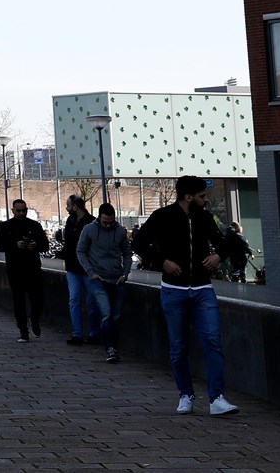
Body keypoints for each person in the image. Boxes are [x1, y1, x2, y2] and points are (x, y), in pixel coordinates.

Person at [132, 176, 239, 417]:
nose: (205, 199)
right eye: (202, 196)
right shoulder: (162, 216)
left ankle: (217, 398)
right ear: (188, 196)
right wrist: (163, 262)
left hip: (202, 289)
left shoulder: (205, 217)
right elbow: (138, 243)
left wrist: (218, 257)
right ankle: (186, 395)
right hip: (174, 290)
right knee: (178, 347)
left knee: (212, 341)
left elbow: (224, 244)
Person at [77, 201, 133, 364]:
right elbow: (80, 251)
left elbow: (127, 253)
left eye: (111, 222)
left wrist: (125, 273)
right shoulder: (89, 230)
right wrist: (91, 272)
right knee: (107, 313)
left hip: (117, 278)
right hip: (98, 278)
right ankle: (110, 348)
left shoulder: (121, 231)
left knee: (115, 315)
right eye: (105, 222)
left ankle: (112, 346)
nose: (108, 226)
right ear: (99, 218)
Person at [0, 198, 49, 341]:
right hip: (15, 268)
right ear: (13, 211)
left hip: (33, 267)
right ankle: (23, 330)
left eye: (24, 210)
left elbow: (45, 245)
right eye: (18, 211)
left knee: (37, 299)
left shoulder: (34, 225)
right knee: (19, 301)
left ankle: (35, 320)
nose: (22, 213)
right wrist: (14, 245)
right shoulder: (6, 226)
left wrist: (35, 245)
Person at [62, 194, 95, 345]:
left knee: (91, 301)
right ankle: (77, 334)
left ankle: (94, 333)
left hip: (87, 269)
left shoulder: (91, 222)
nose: (67, 208)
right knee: (74, 300)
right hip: (72, 268)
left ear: (75, 207)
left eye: (68, 206)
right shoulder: (70, 221)